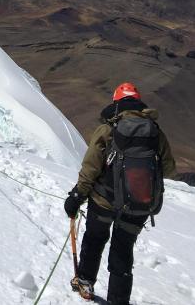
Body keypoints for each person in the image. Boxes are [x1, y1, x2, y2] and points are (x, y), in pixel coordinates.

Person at [64, 82, 177, 305]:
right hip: (138, 205)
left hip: (103, 201)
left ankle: (85, 281)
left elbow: (91, 167)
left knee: (95, 239)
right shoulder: (155, 132)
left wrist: (78, 195)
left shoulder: (109, 129)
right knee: (122, 251)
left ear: (116, 103)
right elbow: (170, 168)